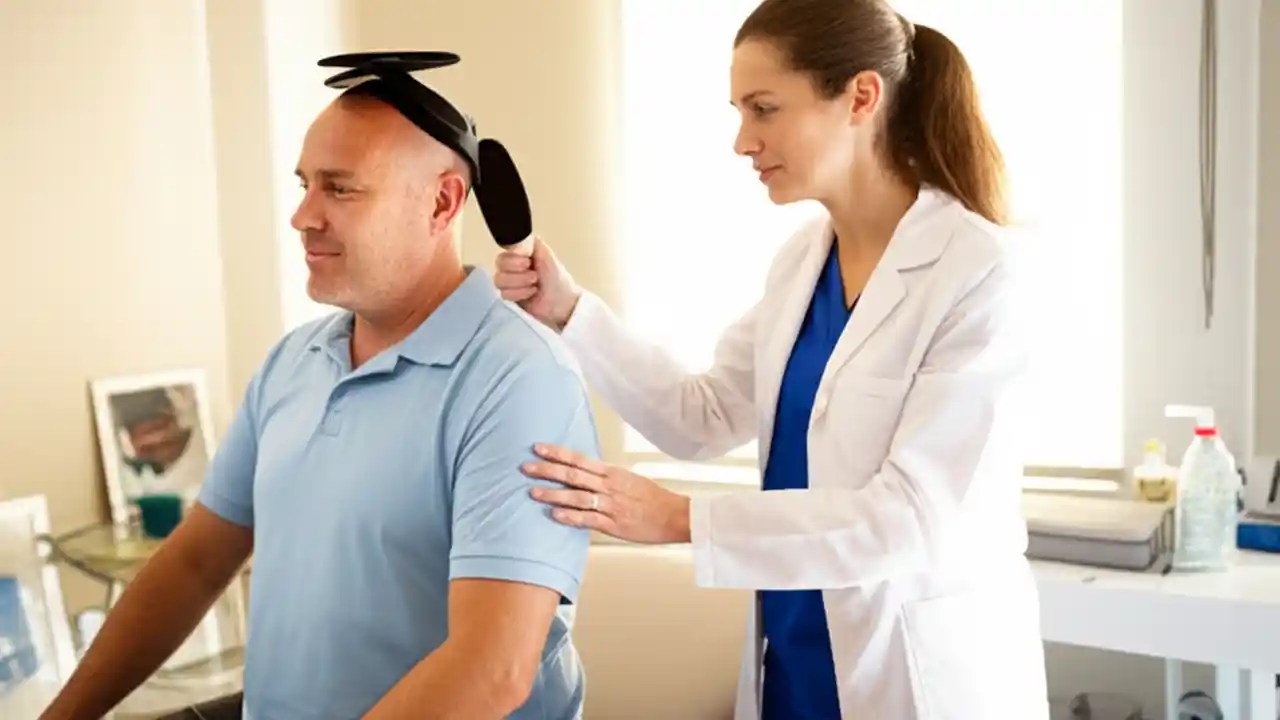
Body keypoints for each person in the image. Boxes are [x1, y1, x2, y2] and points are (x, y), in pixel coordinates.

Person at [495, 0, 1049, 717]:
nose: (742, 141)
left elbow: (910, 517)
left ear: (861, 97)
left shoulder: (977, 270)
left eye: (764, 109)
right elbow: (702, 417)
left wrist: (682, 519)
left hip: (916, 679)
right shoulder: (800, 264)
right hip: (794, 665)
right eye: (739, 112)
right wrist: (569, 311)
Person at [42, 52, 600, 720]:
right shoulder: (294, 362)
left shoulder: (520, 381)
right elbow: (194, 564)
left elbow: (491, 671)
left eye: (340, 189)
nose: (303, 216)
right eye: (305, 184)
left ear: (442, 202)